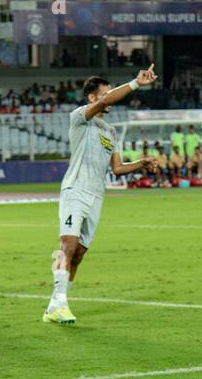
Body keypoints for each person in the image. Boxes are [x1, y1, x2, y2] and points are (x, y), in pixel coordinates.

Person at [43, 67, 159, 324]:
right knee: (68, 246)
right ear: (91, 97)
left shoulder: (110, 131)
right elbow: (108, 100)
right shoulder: (79, 117)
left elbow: (117, 169)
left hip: (96, 195)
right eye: (104, 94)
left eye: (109, 93)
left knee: (80, 253)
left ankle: (54, 305)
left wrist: (141, 163)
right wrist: (136, 84)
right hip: (75, 190)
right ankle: (61, 304)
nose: (108, 98)